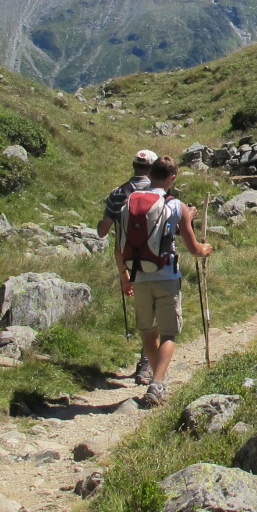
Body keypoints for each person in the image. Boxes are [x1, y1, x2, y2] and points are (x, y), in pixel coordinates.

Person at [117, 156, 212, 408]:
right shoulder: (176, 206)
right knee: (169, 332)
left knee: (148, 330)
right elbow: (193, 248)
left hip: (138, 275)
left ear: (150, 175)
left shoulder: (130, 201)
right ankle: (157, 385)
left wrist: (124, 276)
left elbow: (119, 246)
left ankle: (157, 375)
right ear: (172, 177)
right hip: (167, 276)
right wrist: (205, 248)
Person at [98, 149, 159, 384]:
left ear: (133, 166)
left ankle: (146, 361)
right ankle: (146, 364)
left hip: (126, 259)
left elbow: (103, 231)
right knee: (154, 310)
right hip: (155, 260)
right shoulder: (160, 192)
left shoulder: (117, 193)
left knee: (143, 312)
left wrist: (124, 276)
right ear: (152, 169)